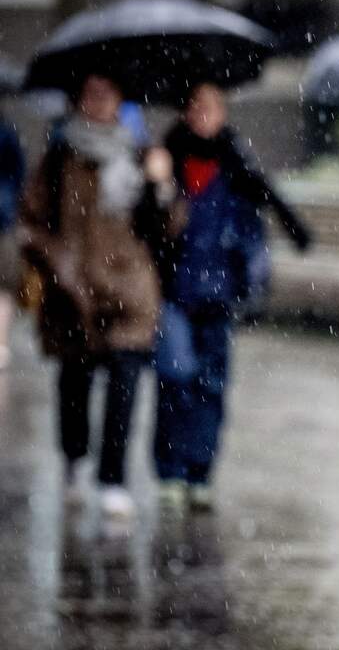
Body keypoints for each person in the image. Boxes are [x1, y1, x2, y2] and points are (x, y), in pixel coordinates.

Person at [19, 73, 179, 519]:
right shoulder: (58, 157)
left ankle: (114, 479)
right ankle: (74, 458)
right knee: (74, 384)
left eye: (108, 95)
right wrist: (57, 261)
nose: (99, 103)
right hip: (73, 293)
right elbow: (30, 221)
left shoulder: (141, 155)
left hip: (130, 293)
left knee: (125, 385)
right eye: (91, 95)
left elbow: (165, 229)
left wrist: (162, 187)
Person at [152, 82, 311, 512]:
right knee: (177, 376)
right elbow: (148, 228)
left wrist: (284, 243)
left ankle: (200, 471)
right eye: (196, 106)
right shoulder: (164, 160)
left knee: (212, 385)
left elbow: (260, 214)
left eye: (212, 106)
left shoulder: (236, 162)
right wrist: (161, 189)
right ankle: (170, 469)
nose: (204, 114)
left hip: (219, 292)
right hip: (173, 292)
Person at [0, 111, 26, 369]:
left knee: (4, 284)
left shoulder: (6, 133)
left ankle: (1, 342)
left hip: (2, 219)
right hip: (4, 215)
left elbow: (18, 173)